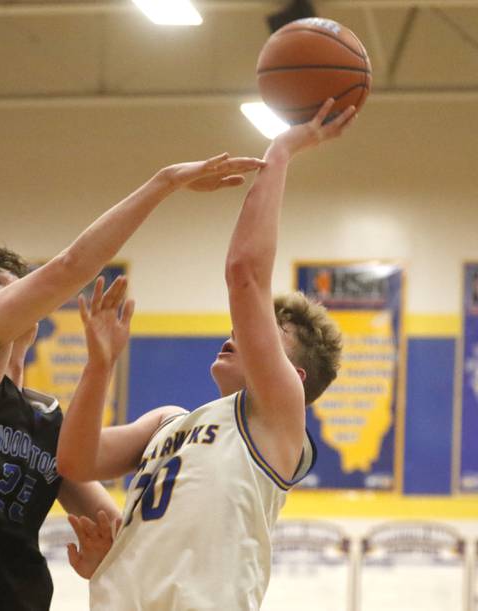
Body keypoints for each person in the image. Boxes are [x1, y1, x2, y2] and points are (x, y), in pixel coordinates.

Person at [0, 152, 266, 611]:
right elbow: (70, 267)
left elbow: (120, 531)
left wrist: (110, 556)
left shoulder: (44, 422)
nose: (15, 290)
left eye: (18, 284)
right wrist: (165, 182)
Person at [56, 99, 355, 610]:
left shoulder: (277, 419)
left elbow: (245, 274)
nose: (240, 332)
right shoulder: (167, 422)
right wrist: (100, 366)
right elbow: (76, 461)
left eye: (270, 333)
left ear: (294, 375)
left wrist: (282, 150)